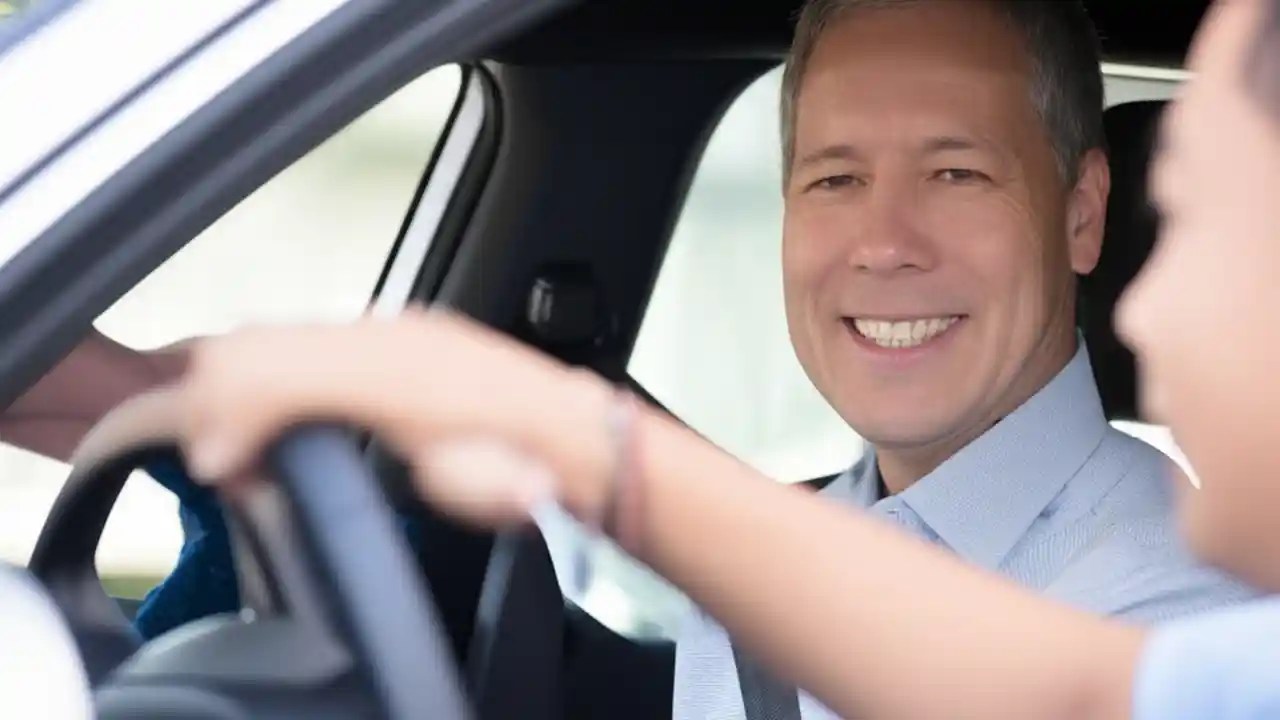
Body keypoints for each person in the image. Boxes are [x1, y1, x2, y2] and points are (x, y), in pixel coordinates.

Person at [0, 0, 1252, 713]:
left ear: (1083, 213)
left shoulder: (1178, 620)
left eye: (954, 172)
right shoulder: (798, 538)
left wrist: (555, 430)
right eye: (830, 177)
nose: (882, 242)